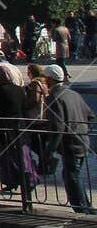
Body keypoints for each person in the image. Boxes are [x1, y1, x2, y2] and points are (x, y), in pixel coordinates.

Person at [42, 67, 94, 214]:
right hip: (82, 141)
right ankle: (87, 209)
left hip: (70, 144)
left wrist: (49, 151)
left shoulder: (54, 97)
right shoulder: (73, 93)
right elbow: (90, 116)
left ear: (50, 80)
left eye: (45, 79)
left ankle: (83, 211)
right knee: (74, 175)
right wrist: (81, 129)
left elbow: (57, 128)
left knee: (72, 178)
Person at [0, 64, 35, 193]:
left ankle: (13, 181)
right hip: (19, 127)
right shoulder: (19, 90)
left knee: (6, 156)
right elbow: (24, 108)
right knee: (22, 155)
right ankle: (28, 181)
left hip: (3, 128)